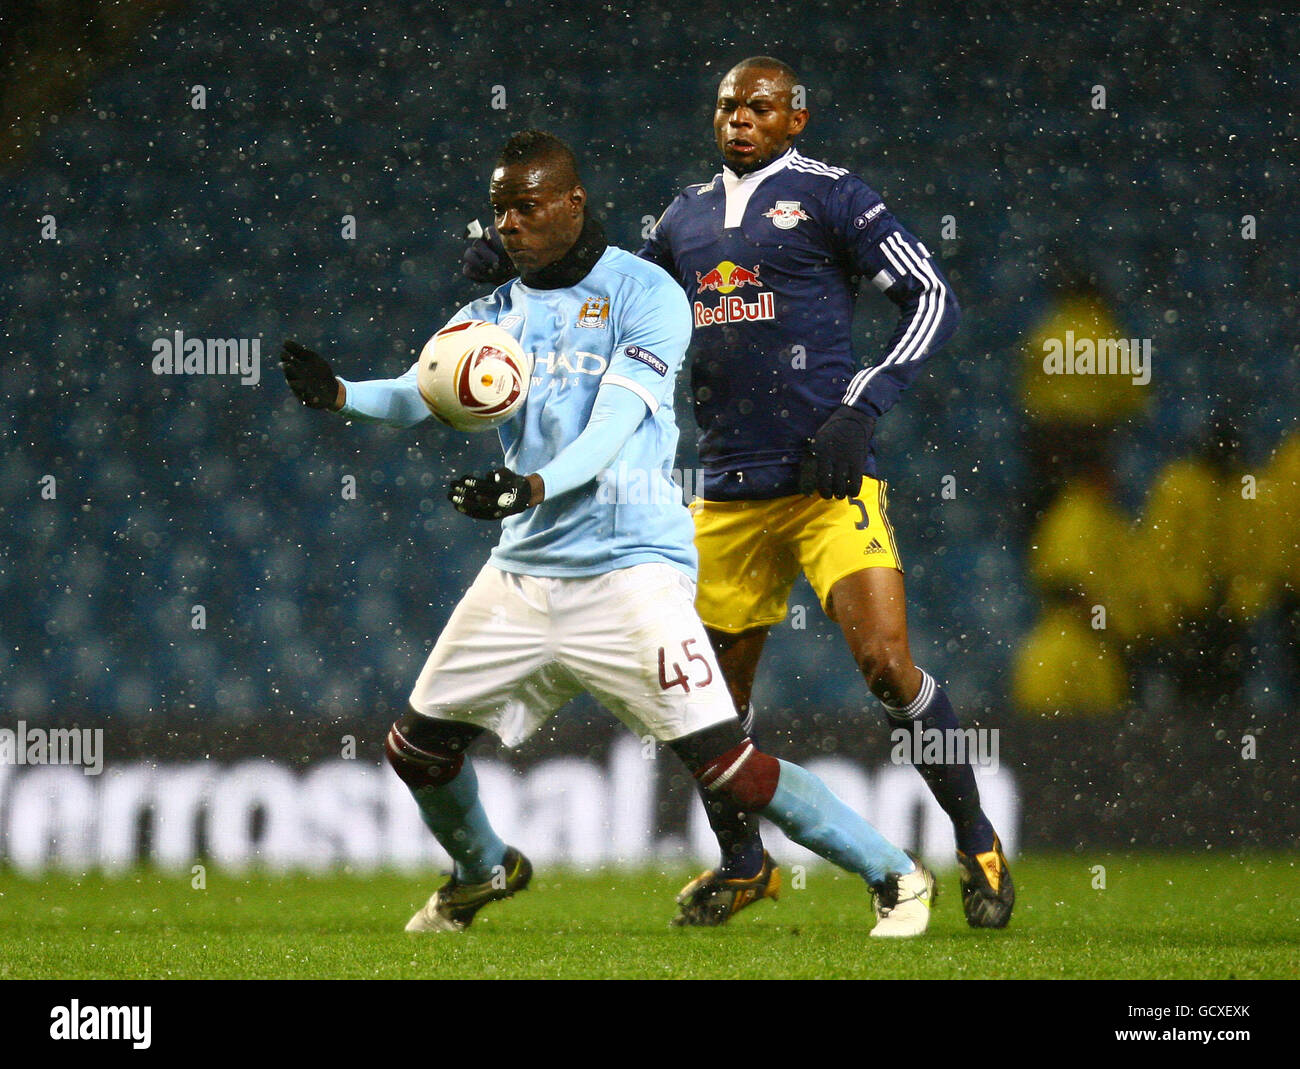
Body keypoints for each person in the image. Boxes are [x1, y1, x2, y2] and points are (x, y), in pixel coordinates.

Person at [282, 129, 936, 937]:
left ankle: (896, 874)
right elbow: (423, 392)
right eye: (498, 211)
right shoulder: (494, 312)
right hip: (524, 574)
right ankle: (485, 866)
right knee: (416, 749)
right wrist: (342, 393)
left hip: (631, 574)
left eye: (525, 207)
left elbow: (616, 421)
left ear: (572, 202)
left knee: (729, 765)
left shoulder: (647, 292)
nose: (508, 225)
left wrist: (529, 485)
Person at [464, 59, 1014, 930]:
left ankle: (975, 832)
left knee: (884, 664)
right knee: (706, 704)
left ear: (797, 118)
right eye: (727, 104)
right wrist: (516, 255)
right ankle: (745, 862)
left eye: (760, 106)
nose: (741, 118)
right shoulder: (681, 217)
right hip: (724, 496)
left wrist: (860, 406)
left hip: (827, 483)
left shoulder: (835, 196)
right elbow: (608, 297)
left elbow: (930, 294)